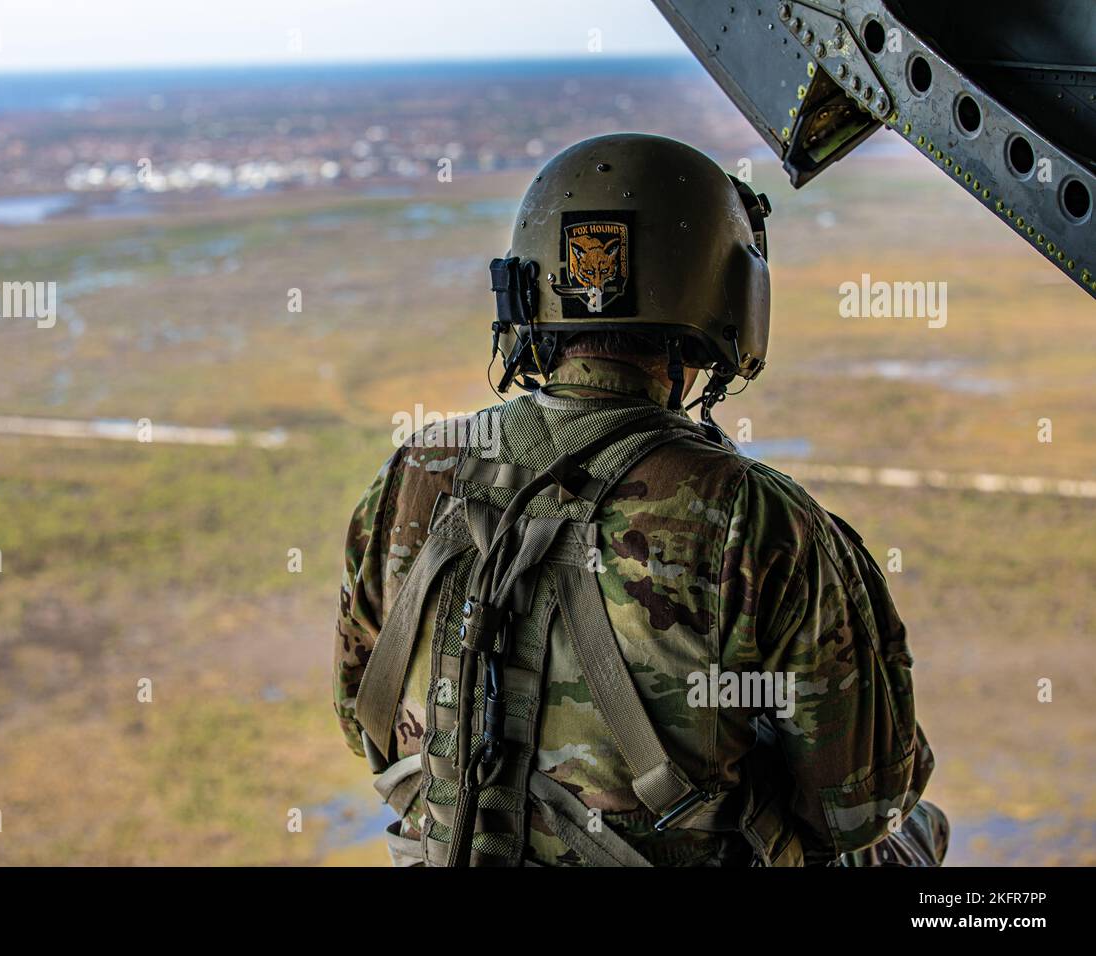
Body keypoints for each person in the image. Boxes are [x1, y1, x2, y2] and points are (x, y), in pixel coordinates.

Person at [333, 132, 947, 867]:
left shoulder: (416, 469)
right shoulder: (755, 519)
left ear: (526, 291)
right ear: (729, 303)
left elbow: (359, 716)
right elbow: (860, 806)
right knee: (918, 837)